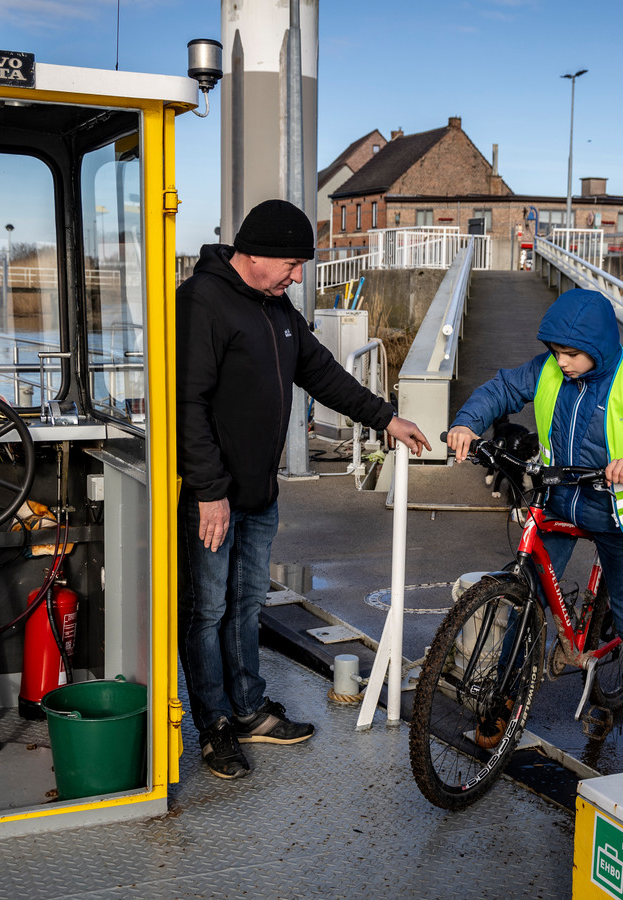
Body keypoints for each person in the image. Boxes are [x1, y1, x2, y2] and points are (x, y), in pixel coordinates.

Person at [177, 199, 431, 779]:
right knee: (206, 610)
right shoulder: (202, 302)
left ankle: (248, 712)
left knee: (246, 607)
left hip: (259, 493)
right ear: (255, 253)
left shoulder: (276, 306)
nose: (297, 275)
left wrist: (385, 418)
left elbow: (322, 373)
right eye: (291, 263)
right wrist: (210, 491)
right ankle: (214, 726)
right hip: (211, 497)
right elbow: (186, 405)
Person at [446, 288, 623, 764]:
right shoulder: (547, 371)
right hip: (560, 500)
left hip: (617, 514)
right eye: (556, 352)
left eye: (572, 354)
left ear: (598, 348)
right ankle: (502, 701)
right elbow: (501, 389)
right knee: (525, 596)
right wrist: (467, 423)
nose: (561, 362)